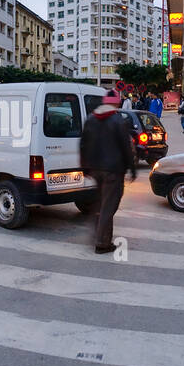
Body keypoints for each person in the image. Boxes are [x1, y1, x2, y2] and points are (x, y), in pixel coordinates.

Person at [78, 94, 140, 254]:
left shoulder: (91, 118)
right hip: (113, 171)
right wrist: (132, 169)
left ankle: (102, 237)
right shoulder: (118, 121)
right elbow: (126, 147)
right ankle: (101, 243)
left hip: (95, 169)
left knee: (101, 204)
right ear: (116, 104)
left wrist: (84, 167)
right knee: (109, 206)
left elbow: (83, 144)